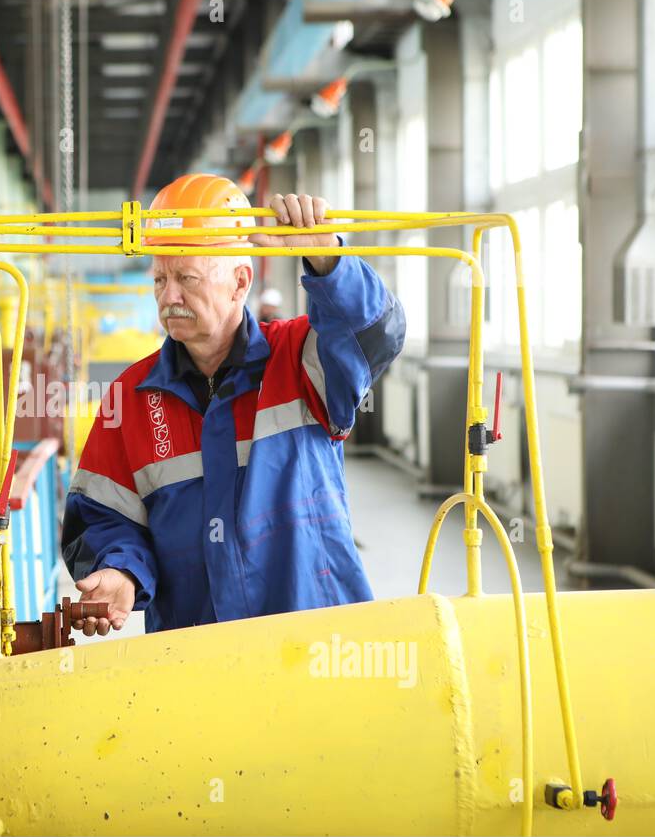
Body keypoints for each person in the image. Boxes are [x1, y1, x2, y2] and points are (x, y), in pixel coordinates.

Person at [60, 173, 405, 635]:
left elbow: (377, 334)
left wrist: (331, 260)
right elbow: (101, 516)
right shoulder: (130, 397)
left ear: (240, 283)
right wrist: (121, 571)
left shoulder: (302, 359)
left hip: (319, 645)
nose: (169, 296)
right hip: (195, 659)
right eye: (159, 279)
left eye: (186, 278)